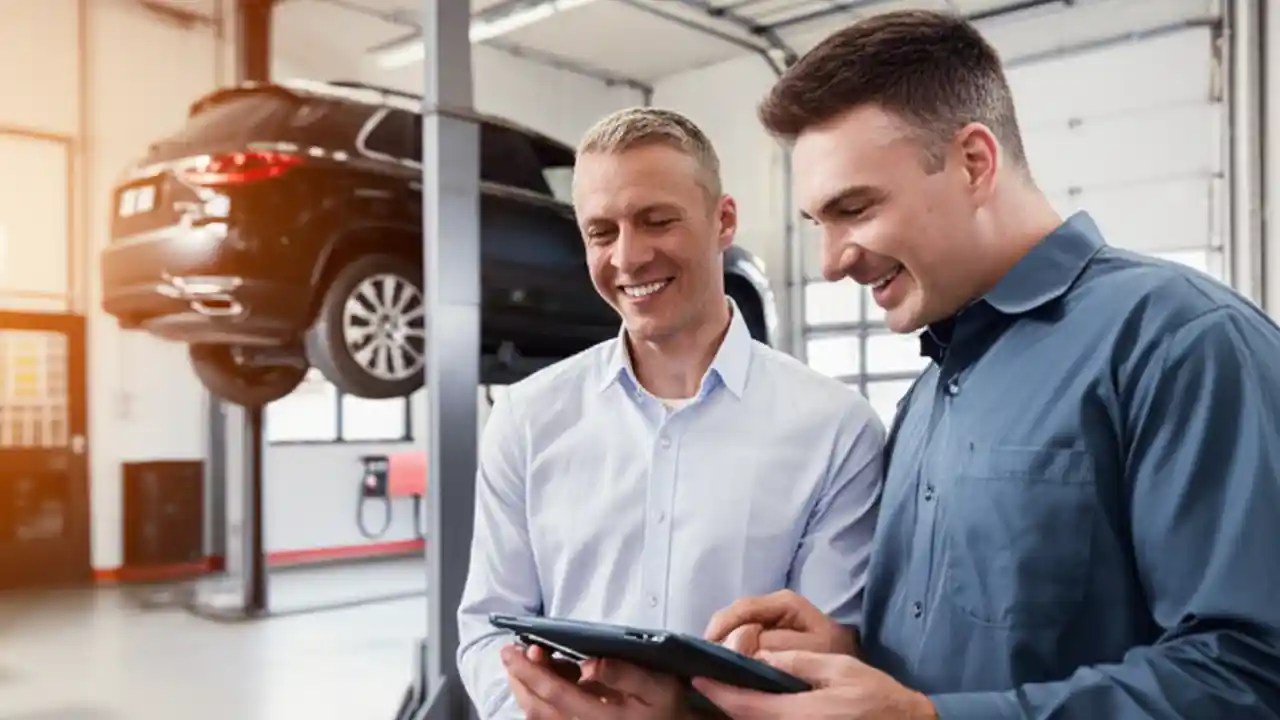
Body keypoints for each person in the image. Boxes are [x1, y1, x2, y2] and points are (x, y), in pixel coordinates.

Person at [687, 9, 1280, 719]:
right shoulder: (929, 393)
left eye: (856, 209)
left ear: (974, 162)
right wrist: (853, 653)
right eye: (819, 223)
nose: (831, 261)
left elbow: (1250, 674)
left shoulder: (1183, 343)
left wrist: (927, 719)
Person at [455, 107, 886, 718]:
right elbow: (487, 628)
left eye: (657, 221)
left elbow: (825, 670)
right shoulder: (525, 419)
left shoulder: (836, 430)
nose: (628, 257)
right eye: (601, 233)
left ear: (723, 221)